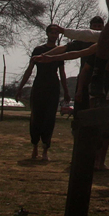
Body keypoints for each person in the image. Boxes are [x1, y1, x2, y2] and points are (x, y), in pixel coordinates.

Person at [17, 24, 71, 161]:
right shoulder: (38, 50)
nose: (54, 35)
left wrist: (66, 90)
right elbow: (29, 70)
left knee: (49, 119)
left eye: (56, 33)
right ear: (47, 34)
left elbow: (62, 73)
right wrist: (20, 87)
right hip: (39, 86)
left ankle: (45, 149)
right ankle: (34, 146)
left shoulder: (59, 51)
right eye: (51, 32)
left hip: (53, 87)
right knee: (36, 117)